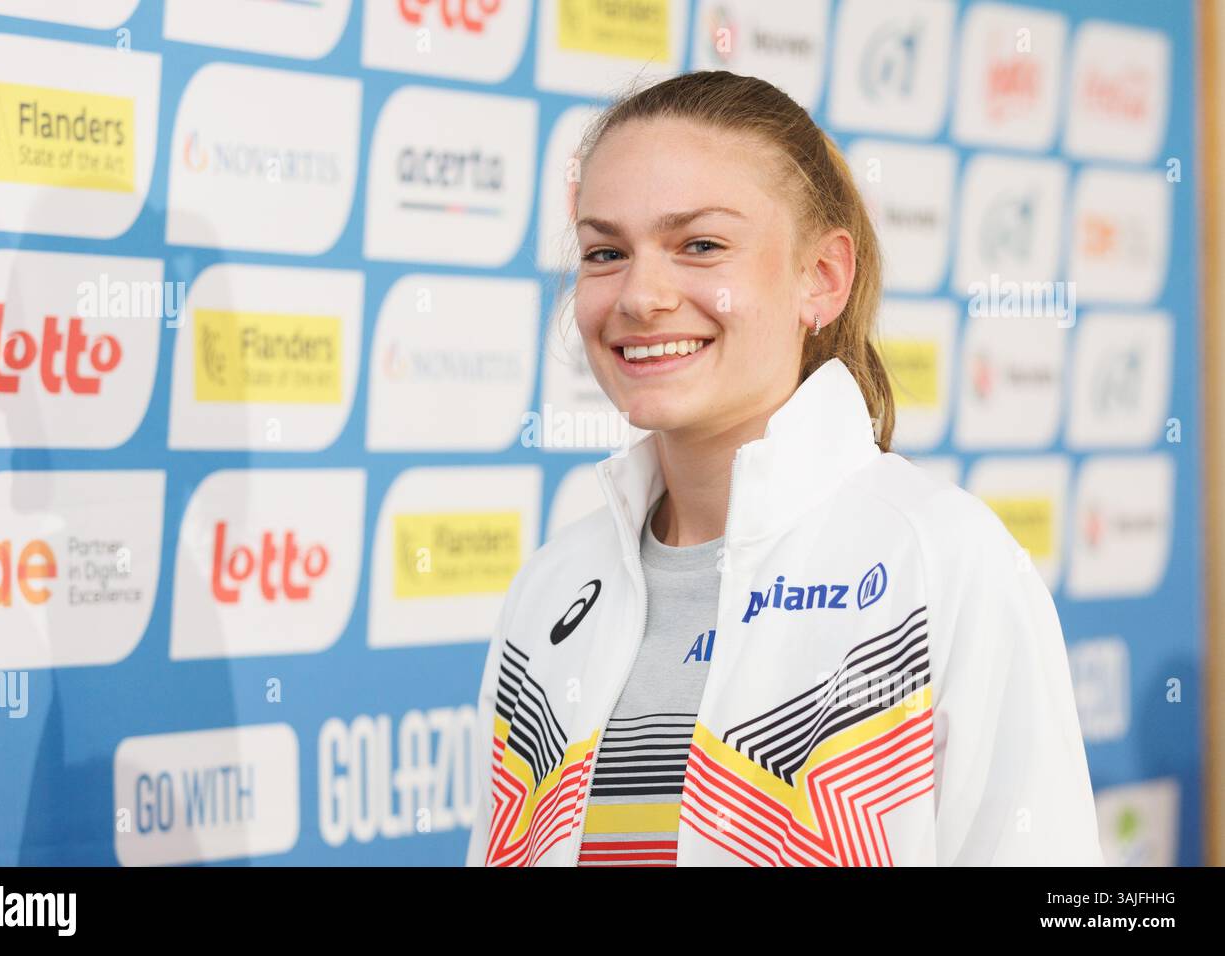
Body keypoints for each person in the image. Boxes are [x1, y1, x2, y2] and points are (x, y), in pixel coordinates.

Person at [466, 70, 1104, 867]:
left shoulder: (940, 560)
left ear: (822, 279)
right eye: (606, 251)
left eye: (700, 245)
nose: (640, 295)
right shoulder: (550, 588)